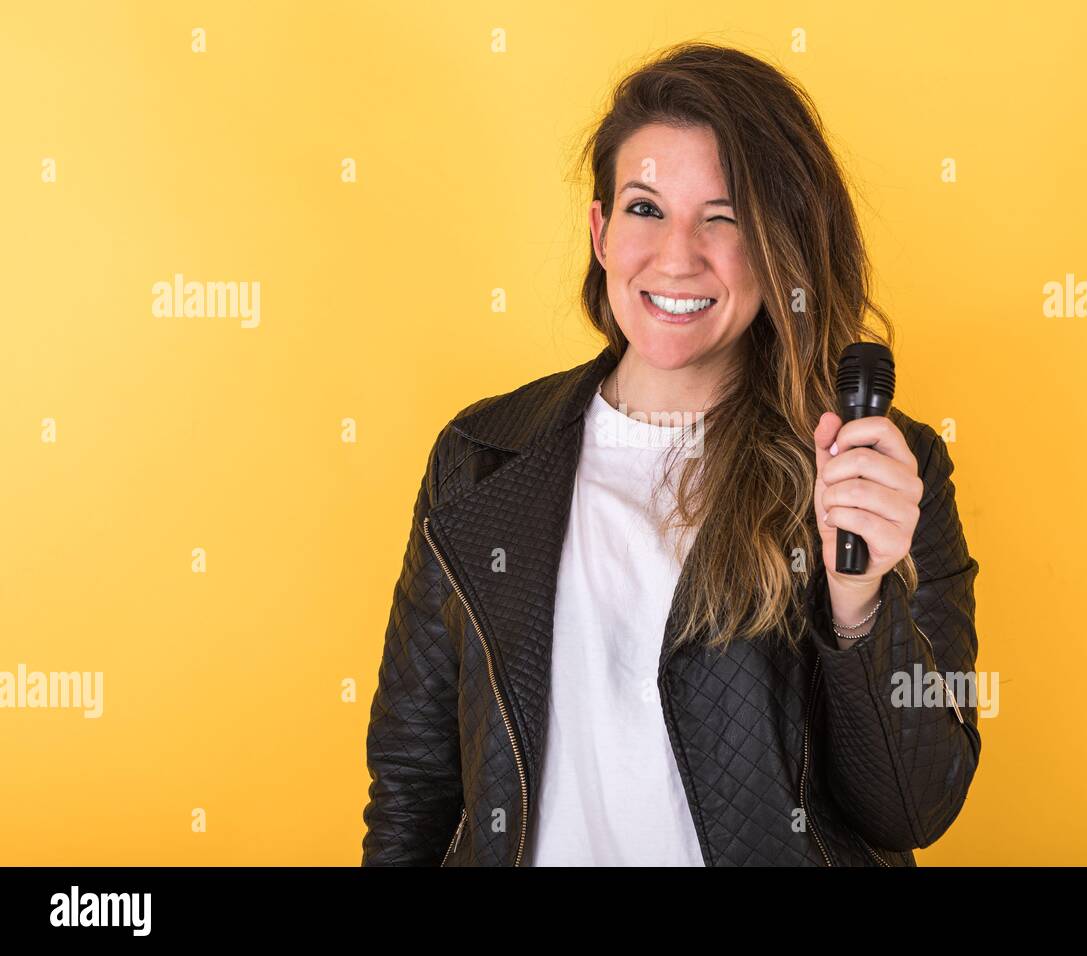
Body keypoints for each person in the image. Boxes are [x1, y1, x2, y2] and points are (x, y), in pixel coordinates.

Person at [361, 41, 980, 867]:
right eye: (646, 209)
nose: (677, 256)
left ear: (777, 244)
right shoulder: (479, 456)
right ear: (601, 232)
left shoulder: (882, 472)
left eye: (723, 217)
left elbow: (915, 808)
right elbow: (411, 785)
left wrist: (859, 602)